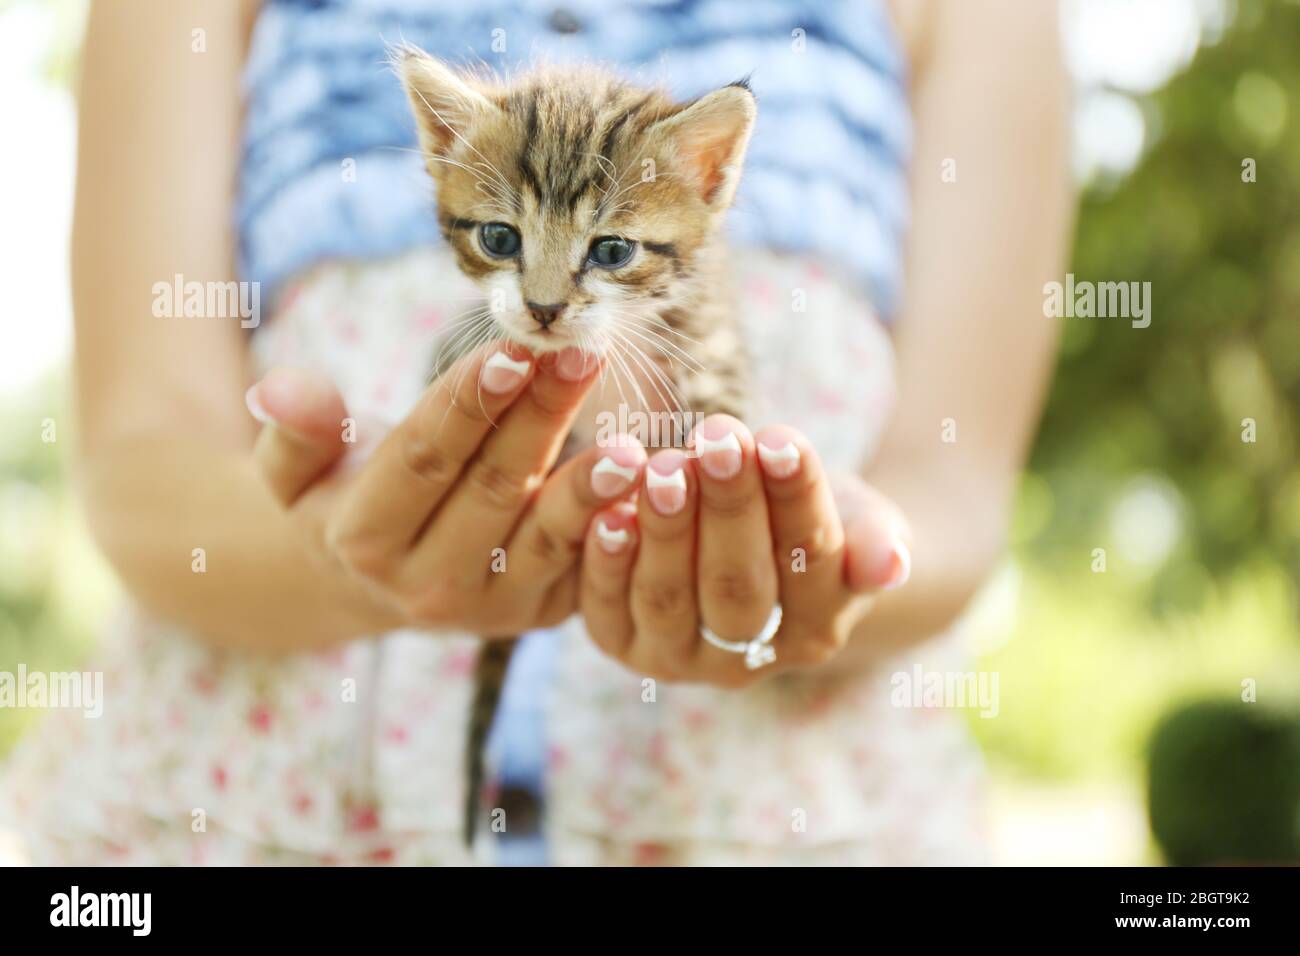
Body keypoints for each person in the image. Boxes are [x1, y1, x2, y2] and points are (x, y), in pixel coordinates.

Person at [1, 0, 1070, 865]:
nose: (549, 298)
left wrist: (830, 568)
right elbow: (139, 457)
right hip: (264, 802)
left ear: (710, 173)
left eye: (607, 253)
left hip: (776, 816)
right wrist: (334, 548)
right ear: (438, 145)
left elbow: (952, 498)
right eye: (506, 243)